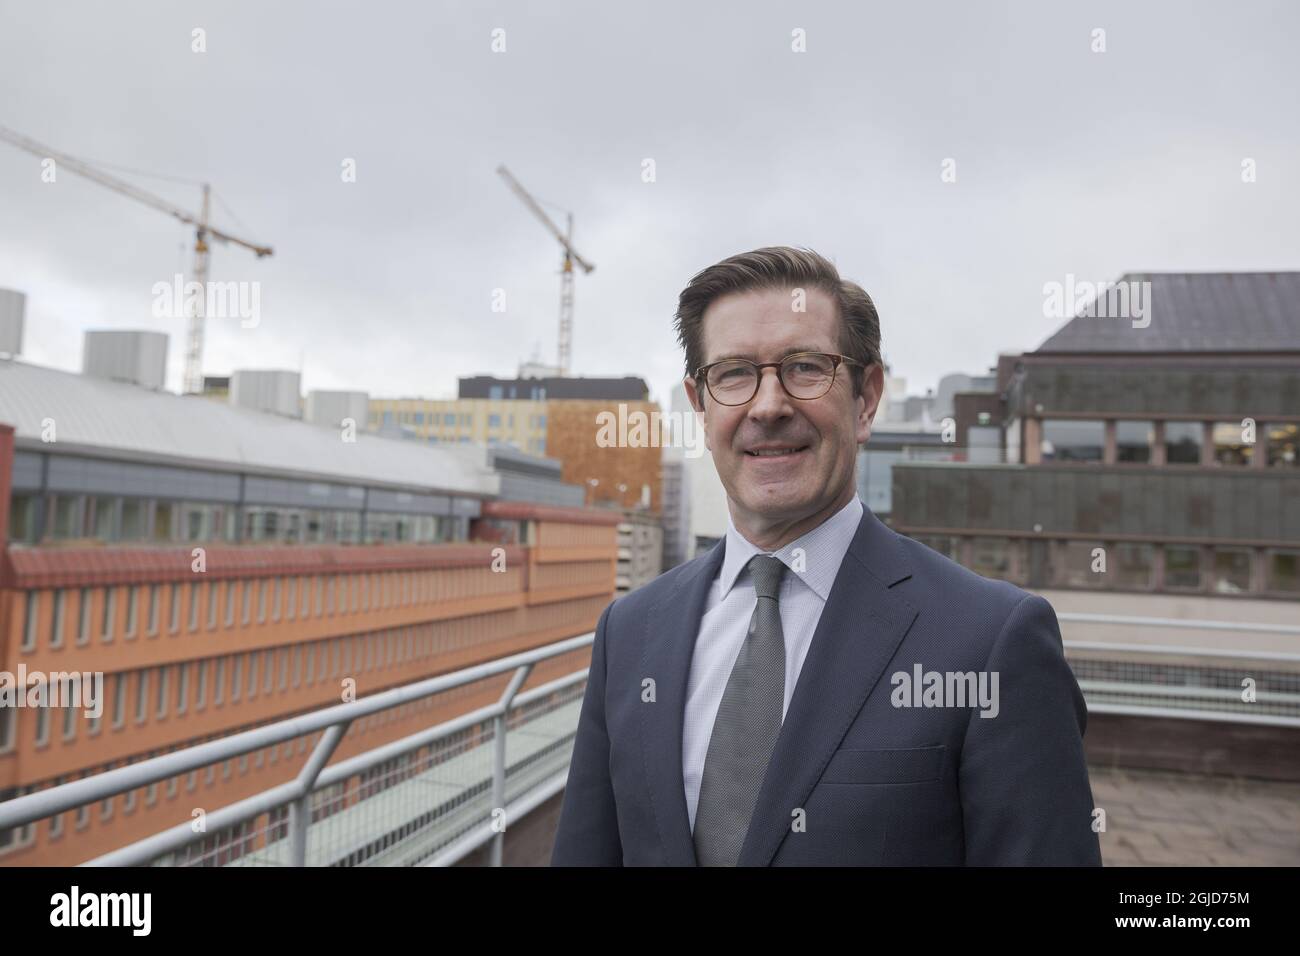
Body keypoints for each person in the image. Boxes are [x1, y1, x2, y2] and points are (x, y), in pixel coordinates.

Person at [551, 246, 1102, 866]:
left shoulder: (990, 640)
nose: (768, 406)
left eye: (806, 367)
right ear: (700, 406)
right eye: (733, 374)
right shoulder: (630, 632)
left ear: (866, 398)